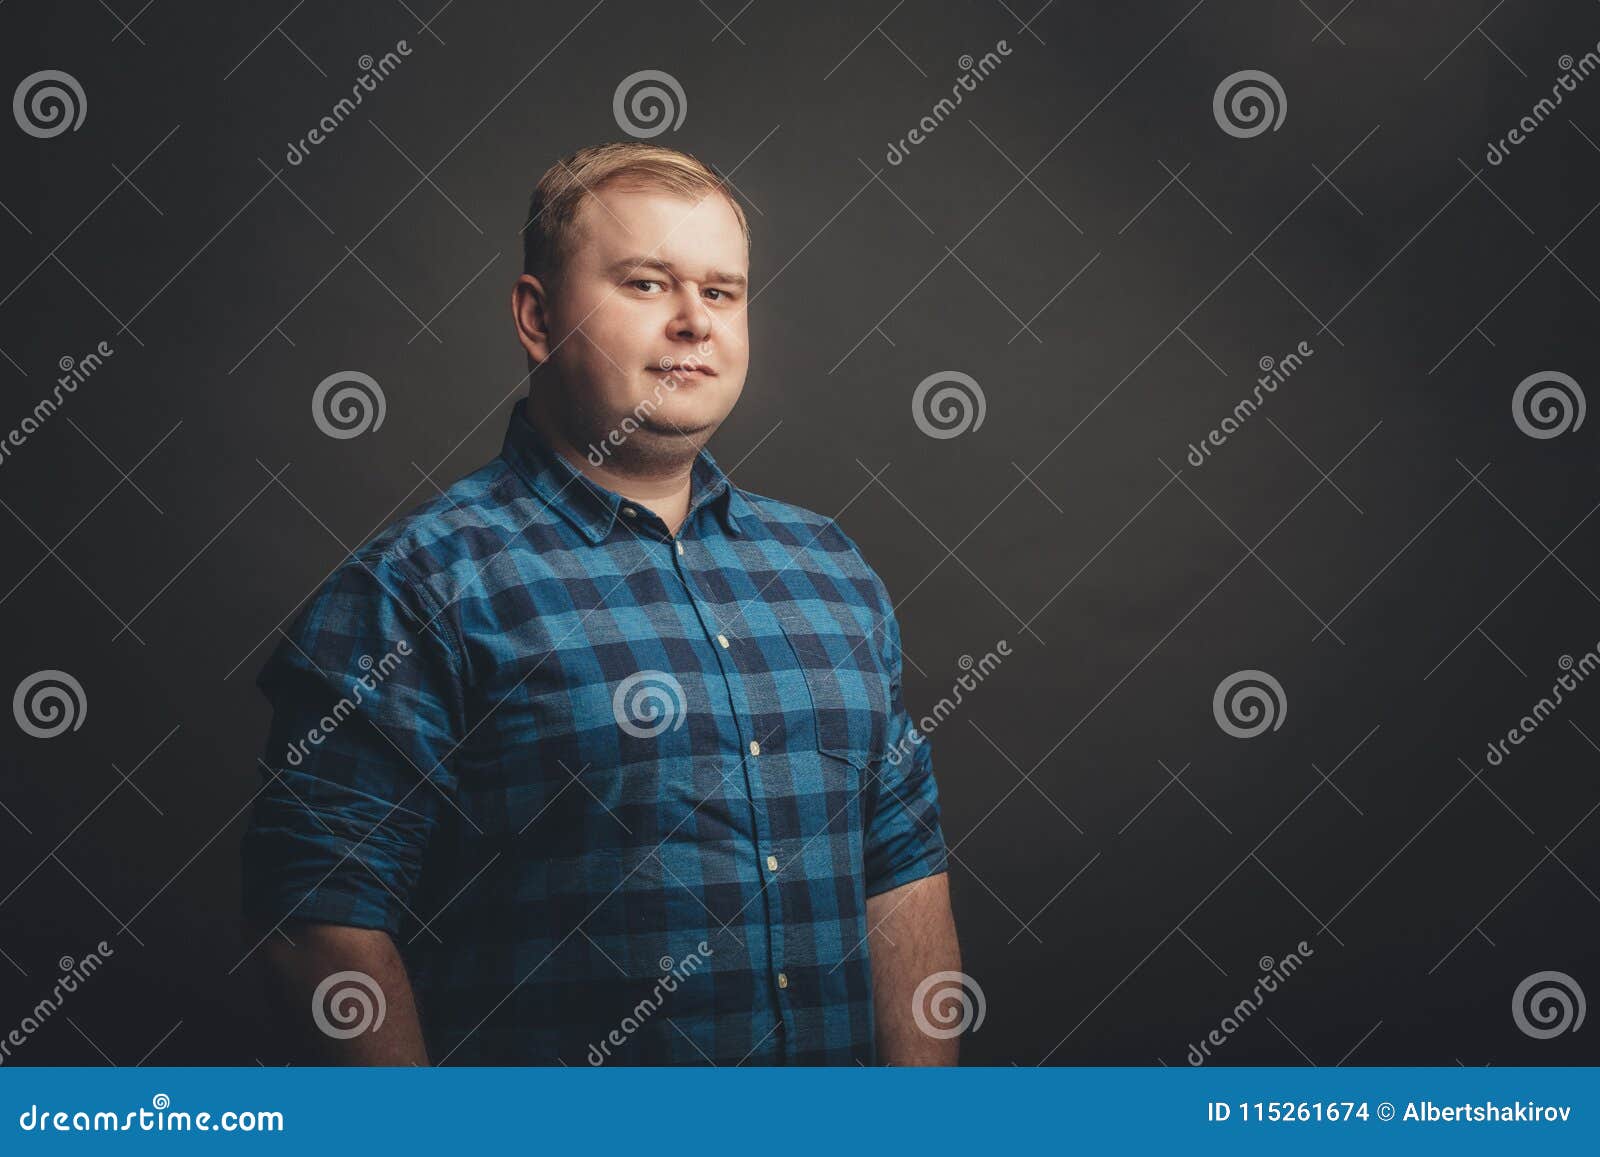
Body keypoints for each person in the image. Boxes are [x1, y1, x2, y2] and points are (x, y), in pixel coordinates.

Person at [240, 141, 959, 1065]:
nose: (695, 321)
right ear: (537, 318)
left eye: (723, 291)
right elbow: (317, 920)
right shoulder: (416, 589)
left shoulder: (830, 571)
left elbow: (902, 868)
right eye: (648, 283)